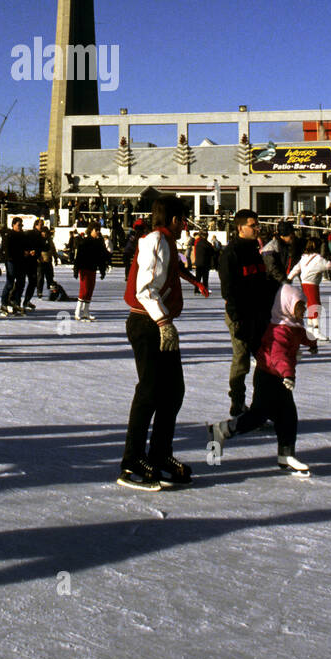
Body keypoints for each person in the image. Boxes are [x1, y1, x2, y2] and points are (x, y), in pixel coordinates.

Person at [118, 195, 209, 491]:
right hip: (146, 322)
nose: (186, 225)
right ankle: (132, 461)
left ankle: (159, 454)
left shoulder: (165, 241)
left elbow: (168, 270)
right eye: (183, 219)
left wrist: (193, 280)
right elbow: (145, 289)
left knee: (173, 391)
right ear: (173, 219)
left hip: (156, 321)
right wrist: (163, 322)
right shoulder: (155, 239)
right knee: (150, 391)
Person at [208, 282, 316, 474]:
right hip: (268, 377)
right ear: (287, 305)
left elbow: (302, 336)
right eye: (300, 306)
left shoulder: (293, 325)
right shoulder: (278, 331)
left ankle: (286, 454)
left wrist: (312, 343)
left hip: (280, 378)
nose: (303, 310)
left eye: (303, 306)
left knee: (288, 416)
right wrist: (288, 374)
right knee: (258, 416)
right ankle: (223, 430)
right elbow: (278, 356)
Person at [218, 209, 274, 416]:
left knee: (265, 359)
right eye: (253, 225)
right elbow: (229, 289)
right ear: (240, 228)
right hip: (240, 313)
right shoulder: (231, 253)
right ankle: (238, 402)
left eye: (257, 224)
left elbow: (263, 283)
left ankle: (262, 404)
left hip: (260, 313)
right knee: (241, 358)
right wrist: (236, 317)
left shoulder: (256, 250)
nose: (257, 228)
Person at [286, 238, 331, 342]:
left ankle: (311, 328)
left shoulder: (304, 257)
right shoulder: (318, 258)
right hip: (312, 284)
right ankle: (316, 330)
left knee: (311, 305)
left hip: (304, 283)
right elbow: (328, 265)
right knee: (315, 305)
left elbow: (296, 268)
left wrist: (289, 278)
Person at [73, 224, 111, 323]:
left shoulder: (99, 242)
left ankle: (86, 312)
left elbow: (102, 258)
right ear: (90, 230)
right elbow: (79, 256)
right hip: (84, 269)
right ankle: (77, 312)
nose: (98, 231)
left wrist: (102, 270)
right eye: (96, 230)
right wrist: (76, 269)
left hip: (92, 269)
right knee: (84, 290)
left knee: (90, 290)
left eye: (99, 230)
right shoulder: (85, 241)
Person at [0, 218, 28, 316]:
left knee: (21, 282)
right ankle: (3, 304)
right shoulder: (9, 235)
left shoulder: (22, 235)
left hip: (21, 261)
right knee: (10, 283)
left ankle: (16, 303)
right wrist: (7, 259)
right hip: (11, 261)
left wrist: (27, 252)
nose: (20, 227)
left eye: (21, 225)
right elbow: (5, 248)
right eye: (19, 225)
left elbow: (25, 247)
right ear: (13, 225)